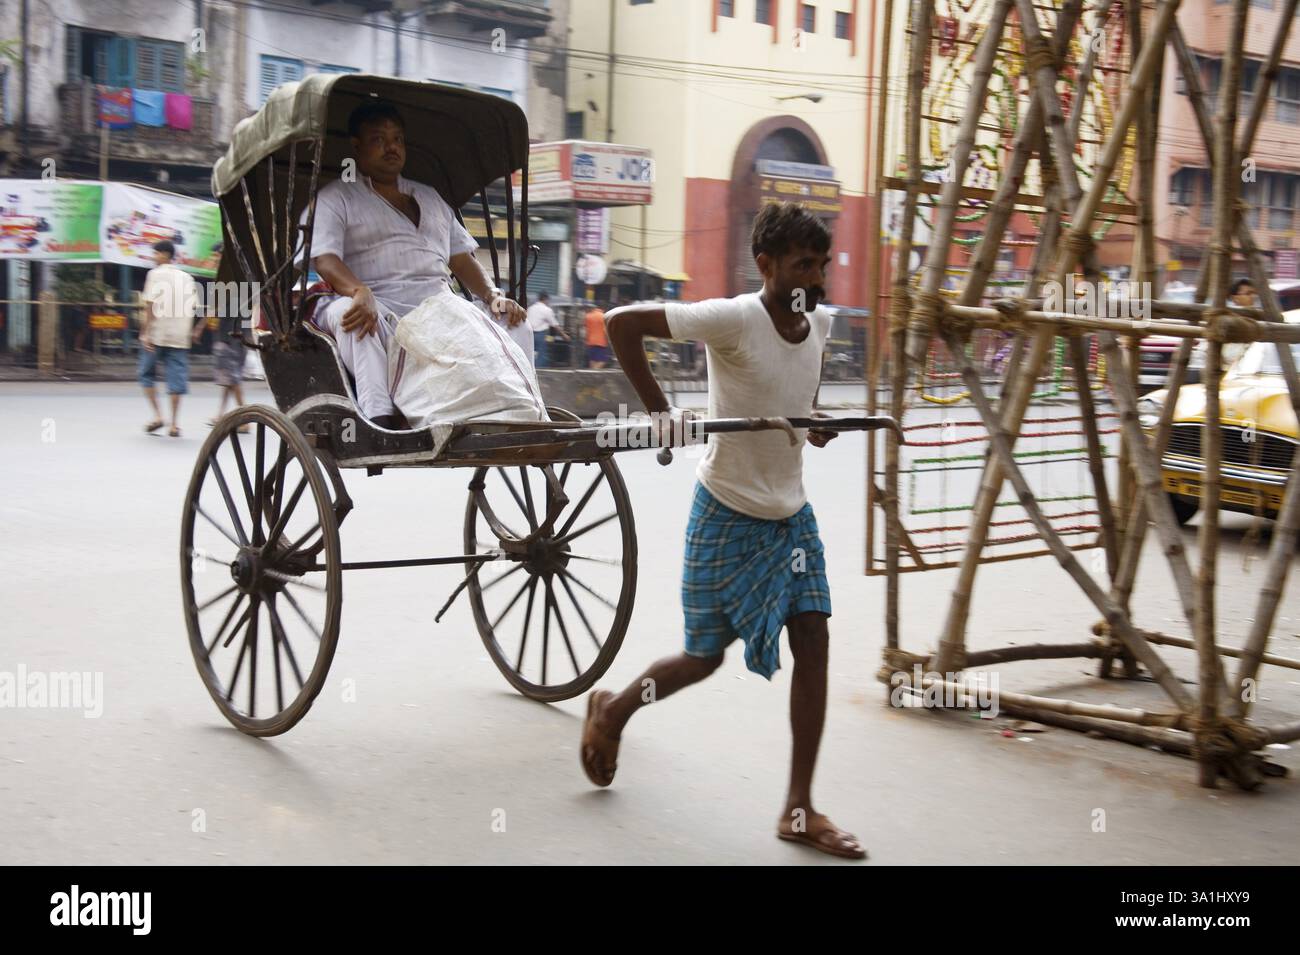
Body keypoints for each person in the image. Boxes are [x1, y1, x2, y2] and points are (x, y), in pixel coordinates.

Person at [579, 202, 865, 860]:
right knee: (703, 658)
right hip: (726, 509)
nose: (814, 279)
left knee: (814, 641)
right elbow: (623, 325)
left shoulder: (819, 323)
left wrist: (812, 421)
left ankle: (798, 807)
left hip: (791, 516)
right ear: (765, 265)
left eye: (821, 265)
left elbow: (795, 404)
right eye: (800, 265)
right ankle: (615, 711)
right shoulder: (732, 318)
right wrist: (660, 412)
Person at [300, 100, 531, 429]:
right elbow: (324, 257)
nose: (391, 148)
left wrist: (492, 295)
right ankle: (380, 416)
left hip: (440, 307)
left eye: (397, 139)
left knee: (515, 320)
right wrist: (358, 291)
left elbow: (460, 259)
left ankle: (518, 409)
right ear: (356, 145)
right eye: (379, 139)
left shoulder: (430, 197)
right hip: (380, 303)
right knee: (353, 315)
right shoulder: (338, 197)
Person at [139, 240, 203, 437]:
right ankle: (174, 424)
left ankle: (158, 416)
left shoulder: (155, 274)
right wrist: (192, 330)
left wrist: (145, 332)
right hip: (179, 335)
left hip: (157, 334)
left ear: (164, 255)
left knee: (146, 374)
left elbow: (150, 305)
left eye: (155, 253)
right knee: (176, 379)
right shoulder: (187, 278)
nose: (153, 257)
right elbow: (194, 307)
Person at [196, 245, 249, 433]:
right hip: (240, 333)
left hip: (229, 335)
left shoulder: (227, 280)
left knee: (231, 377)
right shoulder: (244, 276)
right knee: (229, 377)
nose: (214, 259)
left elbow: (213, 307)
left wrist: (199, 327)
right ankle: (221, 413)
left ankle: (245, 419)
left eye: (217, 256)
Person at [526, 291, 568, 368]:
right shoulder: (546, 310)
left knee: (530, 353)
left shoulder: (530, 308)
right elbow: (555, 325)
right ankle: (538, 371)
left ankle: (529, 368)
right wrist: (564, 335)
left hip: (528, 334)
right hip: (540, 334)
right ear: (545, 299)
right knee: (542, 354)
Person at [584, 301, 611, 369]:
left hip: (590, 342)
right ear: (604, 308)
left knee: (592, 361)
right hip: (600, 343)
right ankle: (593, 375)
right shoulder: (603, 316)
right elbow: (605, 331)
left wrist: (586, 340)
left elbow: (586, 330)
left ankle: (590, 376)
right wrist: (609, 341)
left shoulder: (588, 316)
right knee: (603, 361)